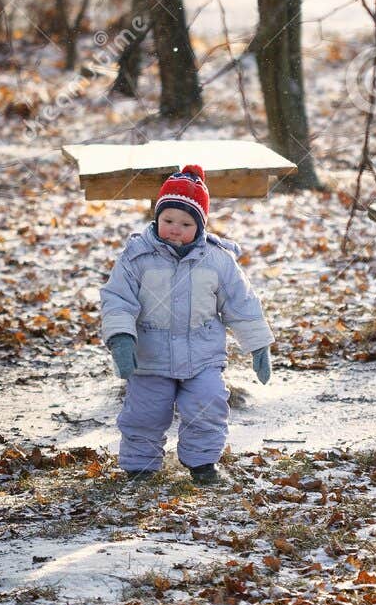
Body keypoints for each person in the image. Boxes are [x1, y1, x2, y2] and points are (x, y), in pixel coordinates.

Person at [98, 164, 273, 486]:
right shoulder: (137, 257)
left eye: (185, 223)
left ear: (201, 226)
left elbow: (241, 303)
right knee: (145, 413)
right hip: (150, 358)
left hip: (202, 357)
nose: (175, 229)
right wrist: (121, 337)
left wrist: (258, 344)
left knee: (208, 406)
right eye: (168, 221)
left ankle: (203, 464)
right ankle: (140, 466)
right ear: (156, 218)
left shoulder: (219, 261)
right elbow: (118, 299)